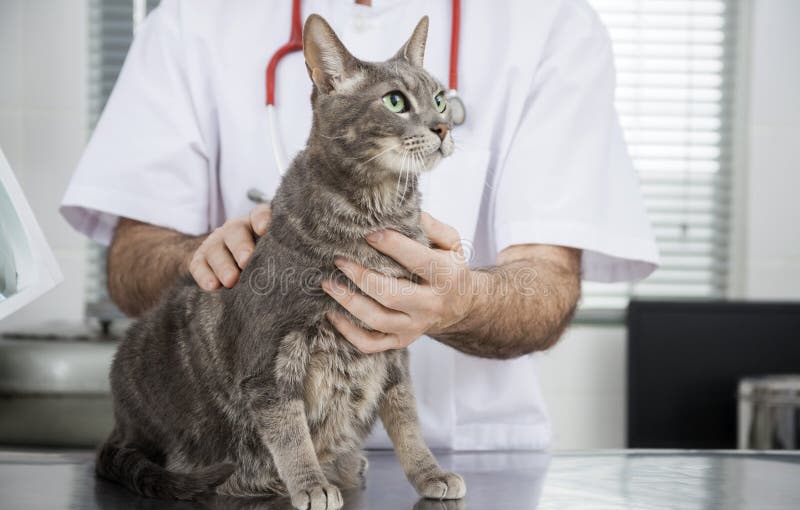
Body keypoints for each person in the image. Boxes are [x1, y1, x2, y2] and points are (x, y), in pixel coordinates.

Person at [60, 0, 659, 451]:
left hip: (469, 460)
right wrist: (211, 265)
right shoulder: (191, 18)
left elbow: (548, 284)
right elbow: (133, 257)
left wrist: (463, 302)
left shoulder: (551, 21)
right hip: (249, 458)